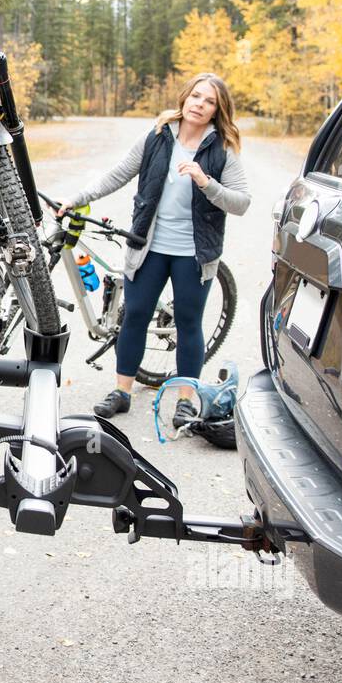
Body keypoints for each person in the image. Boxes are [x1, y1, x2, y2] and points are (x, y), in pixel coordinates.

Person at [56, 73, 251, 424]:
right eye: (196, 96)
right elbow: (118, 173)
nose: (199, 105)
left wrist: (207, 183)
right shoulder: (158, 136)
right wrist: (77, 198)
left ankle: (186, 399)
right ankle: (122, 391)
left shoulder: (221, 150)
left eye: (208, 101)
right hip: (148, 246)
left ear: (216, 111)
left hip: (194, 252)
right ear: (184, 98)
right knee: (135, 315)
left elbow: (241, 203)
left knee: (188, 324)